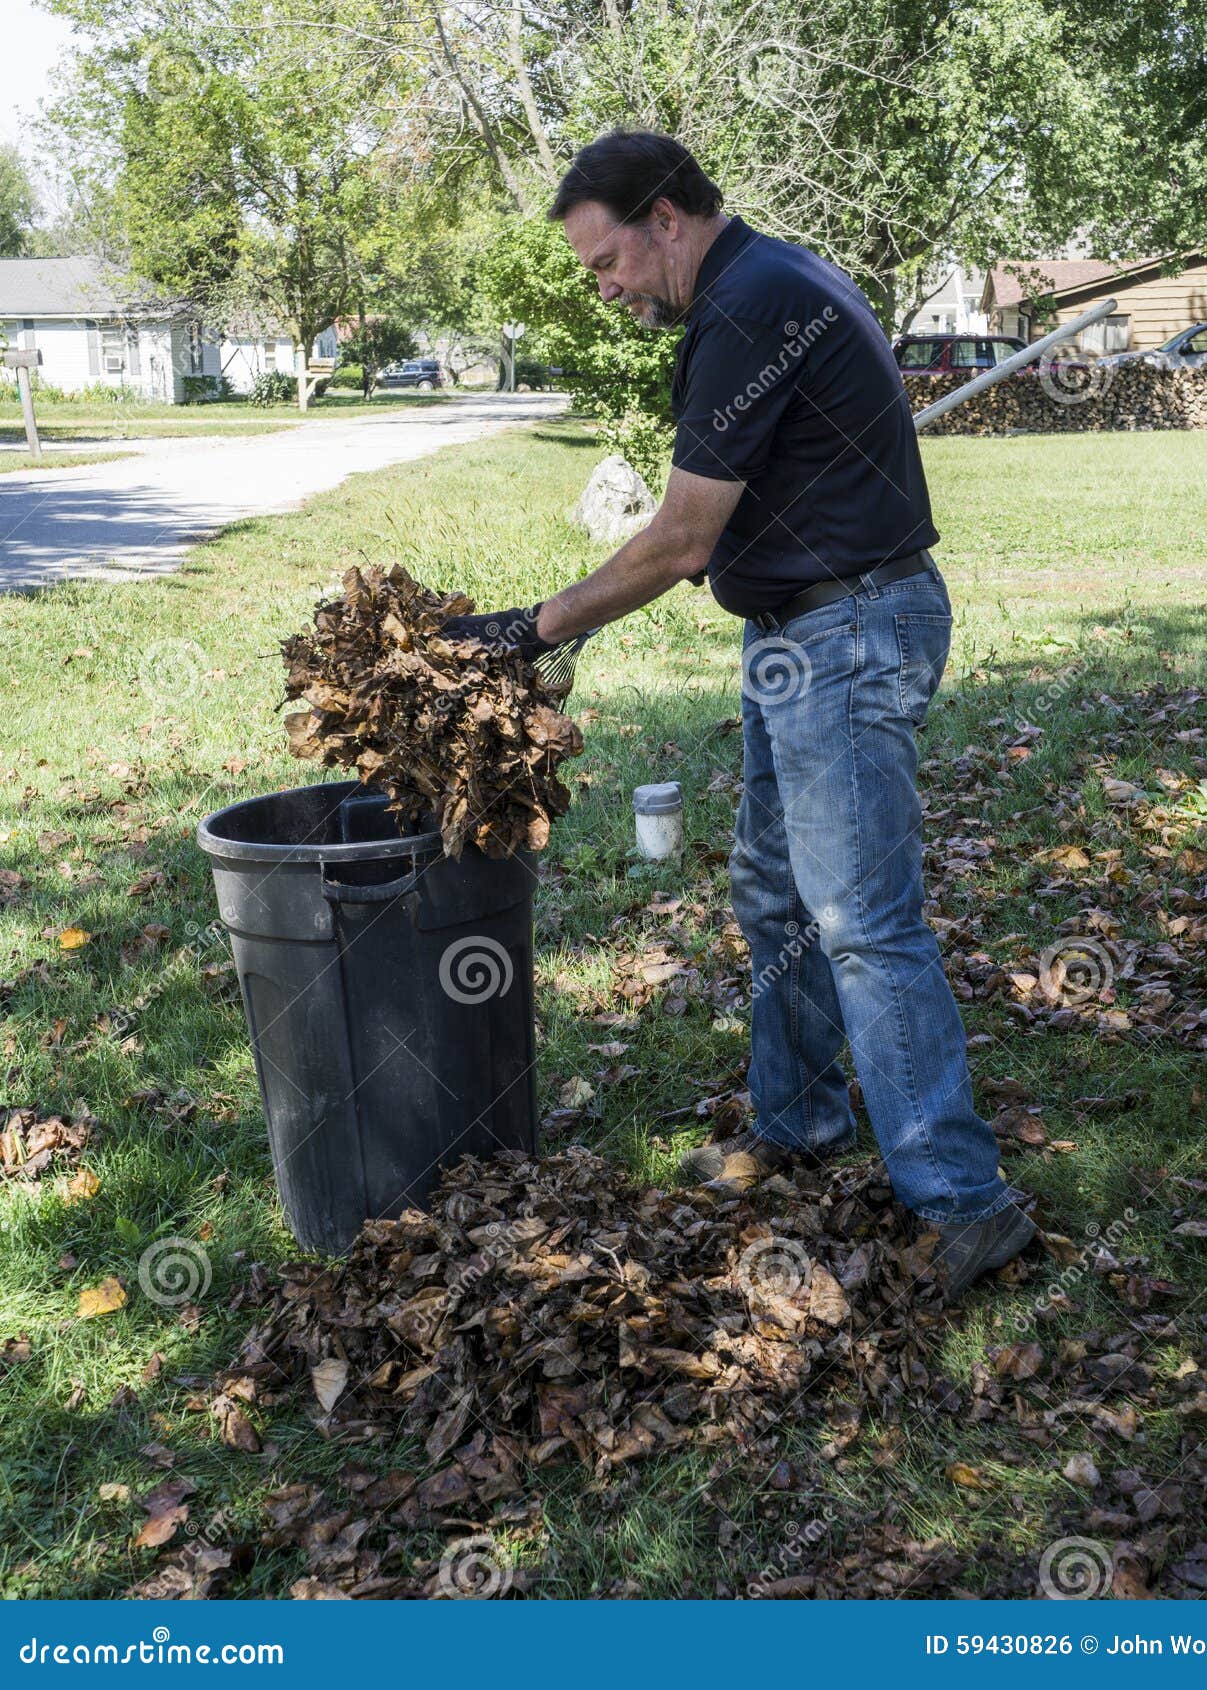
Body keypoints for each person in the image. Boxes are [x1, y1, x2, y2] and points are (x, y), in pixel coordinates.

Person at [443, 130, 1033, 1300]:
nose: (603, 289)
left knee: (862, 919)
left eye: (605, 261)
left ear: (666, 215)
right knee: (776, 894)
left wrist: (527, 629)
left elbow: (678, 540)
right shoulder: (771, 279)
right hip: (801, 635)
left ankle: (966, 1202)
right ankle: (801, 1121)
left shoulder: (751, 306)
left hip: (847, 632)